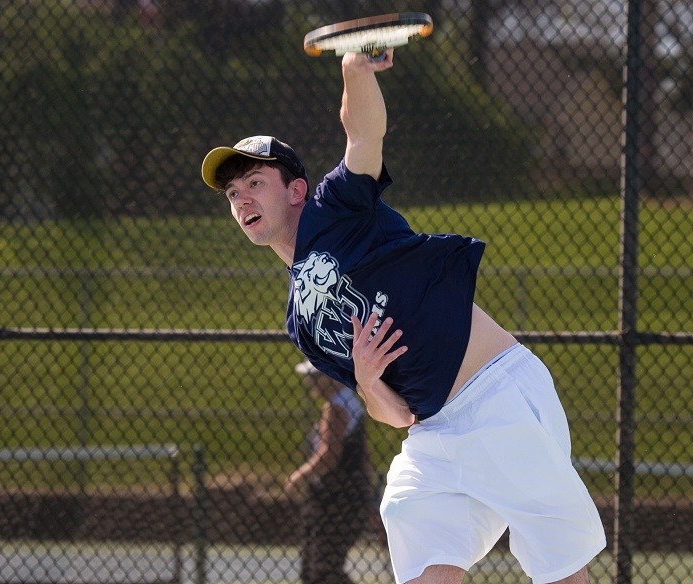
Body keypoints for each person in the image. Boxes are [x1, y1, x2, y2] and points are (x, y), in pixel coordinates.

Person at [200, 50, 605, 584]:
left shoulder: (334, 207)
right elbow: (394, 415)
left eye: (254, 182)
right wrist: (368, 380)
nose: (241, 199)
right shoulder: (300, 321)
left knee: (557, 564)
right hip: (435, 430)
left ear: (295, 189)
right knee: (409, 514)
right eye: (232, 193)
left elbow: (363, 136)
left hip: (497, 397)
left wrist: (355, 72)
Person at [285, 360, 374, 584]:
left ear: (331, 376)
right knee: (322, 568)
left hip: (335, 498)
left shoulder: (335, 407)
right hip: (349, 495)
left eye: (316, 377)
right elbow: (362, 456)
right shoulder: (350, 402)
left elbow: (329, 456)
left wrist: (297, 476)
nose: (311, 382)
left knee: (321, 570)